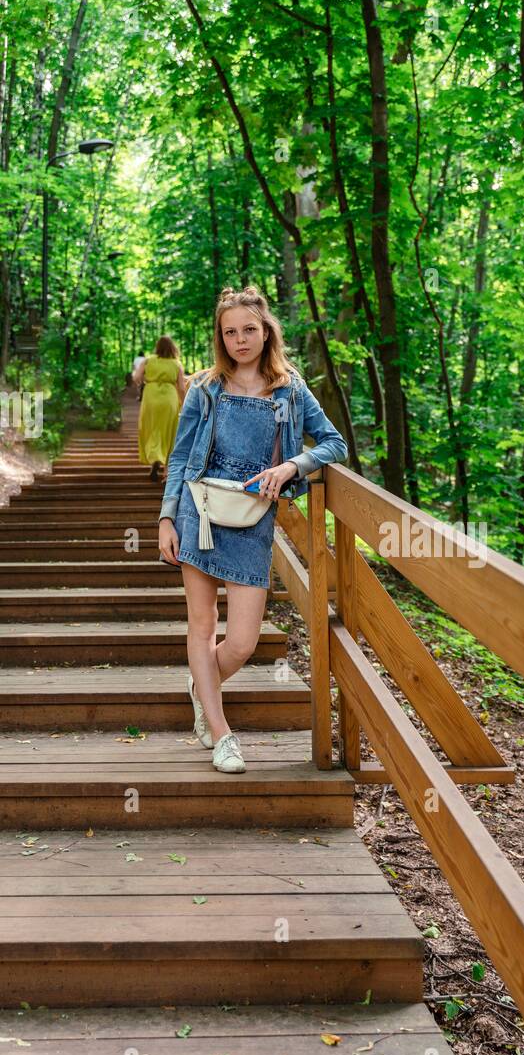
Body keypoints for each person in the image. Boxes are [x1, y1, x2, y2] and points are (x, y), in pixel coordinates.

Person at [157, 284, 348, 773]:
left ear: (266, 332)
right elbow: (180, 457)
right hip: (197, 513)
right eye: (230, 332)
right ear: (220, 338)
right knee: (201, 627)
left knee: (241, 642)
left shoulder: (290, 387)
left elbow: (333, 443)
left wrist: (291, 468)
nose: (240, 339)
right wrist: (164, 518)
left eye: (249, 329)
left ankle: (202, 684)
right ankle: (222, 735)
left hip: (252, 520)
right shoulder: (204, 387)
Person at [133, 337, 187, 479]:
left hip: (150, 397)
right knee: (169, 432)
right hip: (169, 398)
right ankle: (167, 470)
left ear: (157, 347)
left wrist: (146, 381)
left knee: (151, 428)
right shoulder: (176, 364)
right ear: (172, 348)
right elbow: (181, 387)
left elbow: (136, 377)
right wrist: (184, 403)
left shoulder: (148, 360)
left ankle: (155, 457)